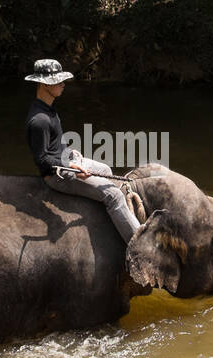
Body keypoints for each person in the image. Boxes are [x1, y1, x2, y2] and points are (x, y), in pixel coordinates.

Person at [25, 58, 142, 242]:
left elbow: (54, 144)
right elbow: (42, 159)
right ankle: (139, 246)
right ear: (43, 84)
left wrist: (69, 152)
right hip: (58, 175)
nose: (63, 84)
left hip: (66, 162)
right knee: (114, 195)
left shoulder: (48, 109)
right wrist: (71, 165)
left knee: (105, 170)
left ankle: (114, 220)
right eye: (57, 81)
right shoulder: (39, 120)